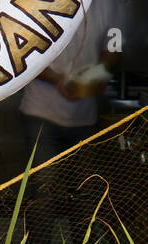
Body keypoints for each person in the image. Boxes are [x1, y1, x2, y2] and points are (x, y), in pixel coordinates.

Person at [18, 0, 123, 166]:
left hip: (85, 117)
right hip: (40, 114)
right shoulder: (39, 3)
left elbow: (114, 48)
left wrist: (101, 73)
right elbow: (26, 54)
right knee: (45, 186)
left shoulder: (108, 5)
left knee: (85, 185)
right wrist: (57, 79)